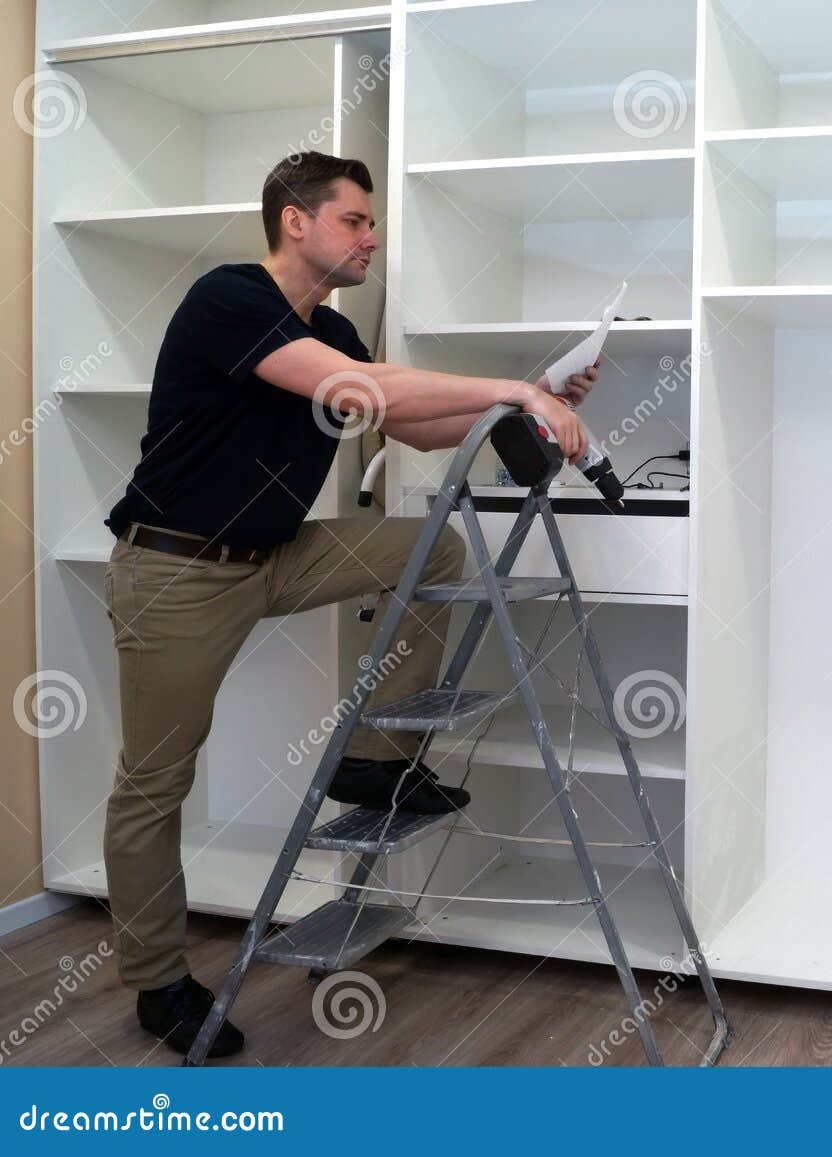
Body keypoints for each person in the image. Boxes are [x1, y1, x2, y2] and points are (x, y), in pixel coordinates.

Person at [99, 151, 599, 1059]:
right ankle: (157, 979)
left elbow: (409, 422)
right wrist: (510, 388)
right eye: (356, 221)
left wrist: (527, 407)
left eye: (372, 224)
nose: (373, 238)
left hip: (277, 554)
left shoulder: (327, 324)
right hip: (177, 570)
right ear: (297, 222)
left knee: (434, 544)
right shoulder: (231, 299)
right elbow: (365, 391)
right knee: (154, 782)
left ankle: (373, 760)